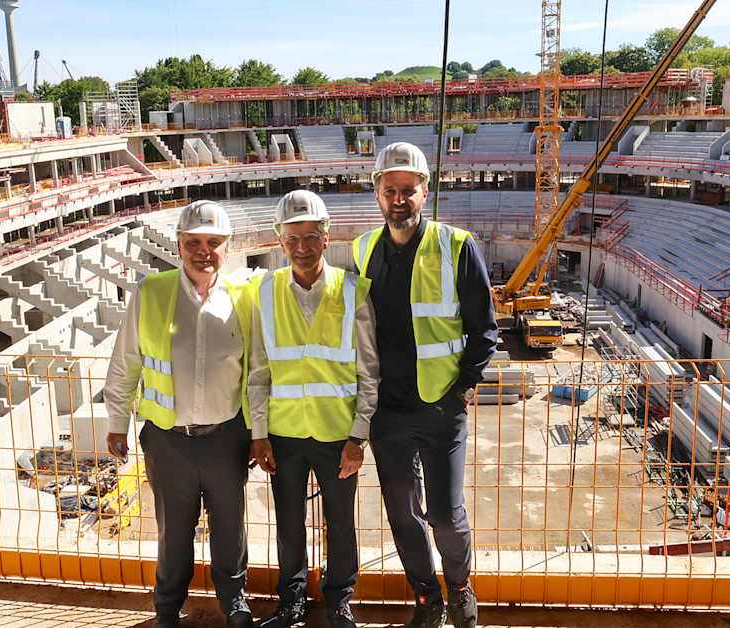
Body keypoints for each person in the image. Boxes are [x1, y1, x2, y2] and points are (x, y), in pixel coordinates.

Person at [352, 142, 498, 628]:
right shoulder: (363, 249)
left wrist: (461, 389)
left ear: (425, 192)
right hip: (386, 414)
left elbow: (485, 330)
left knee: (444, 513)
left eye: (408, 191)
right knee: (403, 515)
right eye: (389, 190)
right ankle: (425, 596)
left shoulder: (457, 246)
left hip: (440, 410)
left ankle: (458, 587)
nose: (399, 199)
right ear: (376, 194)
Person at [104, 200, 255, 628]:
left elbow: (256, 372)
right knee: (174, 532)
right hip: (169, 440)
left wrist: (256, 431)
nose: (203, 251)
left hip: (227, 437)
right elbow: (126, 361)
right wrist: (117, 422)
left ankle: (234, 601)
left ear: (228, 247)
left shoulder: (242, 300)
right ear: (179, 245)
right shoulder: (151, 292)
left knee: (230, 528)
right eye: (194, 242)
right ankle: (167, 608)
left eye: (213, 242)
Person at [248, 190, 379, 628]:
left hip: (338, 436)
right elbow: (259, 370)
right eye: (292, 239)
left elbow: (369, 372)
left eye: (310, 237)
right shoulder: (263, 292)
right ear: (280, 242)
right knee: (289, 523)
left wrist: (359, 438)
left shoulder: (354, 291)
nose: (301, 248)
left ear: (327, 237)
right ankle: (293, 601)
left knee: (341, 524)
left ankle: (339, 599)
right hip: (284, 437)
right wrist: (259, 433)